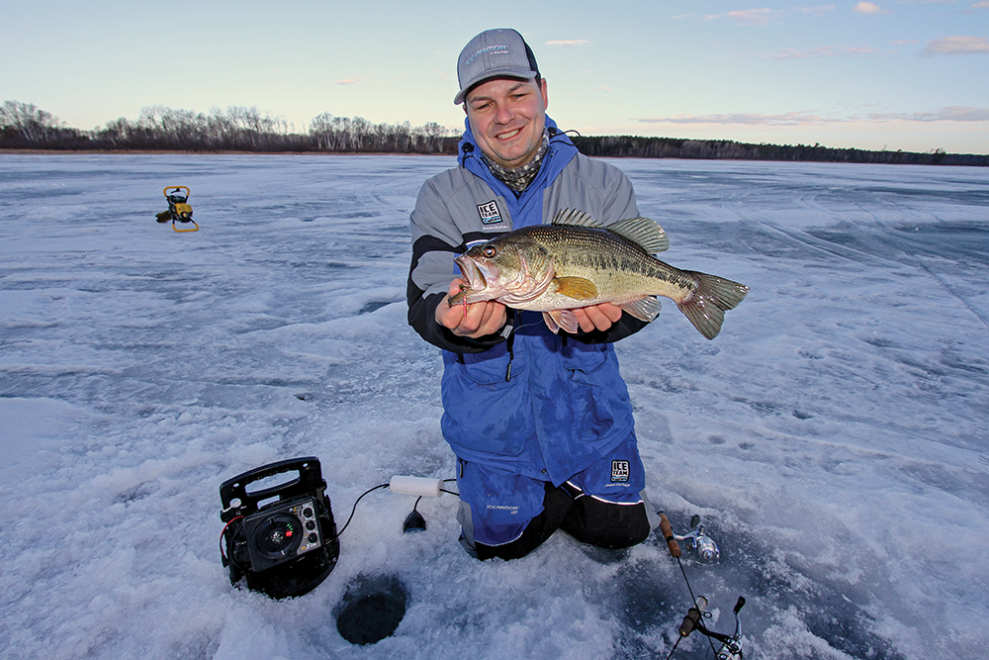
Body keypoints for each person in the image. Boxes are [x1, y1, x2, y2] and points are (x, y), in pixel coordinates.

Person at [407, 28, 659, 560]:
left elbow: (632, 282)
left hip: (592, 418)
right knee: (498, 549)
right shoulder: (441, 196)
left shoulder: (604, 182)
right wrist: (448, 320)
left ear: (543, 91)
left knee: (619, 535)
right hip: (493, 429)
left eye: (517, 95)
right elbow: (427, 290)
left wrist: (612, 319)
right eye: (484, 103)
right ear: (468, 114)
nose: (504, 116)